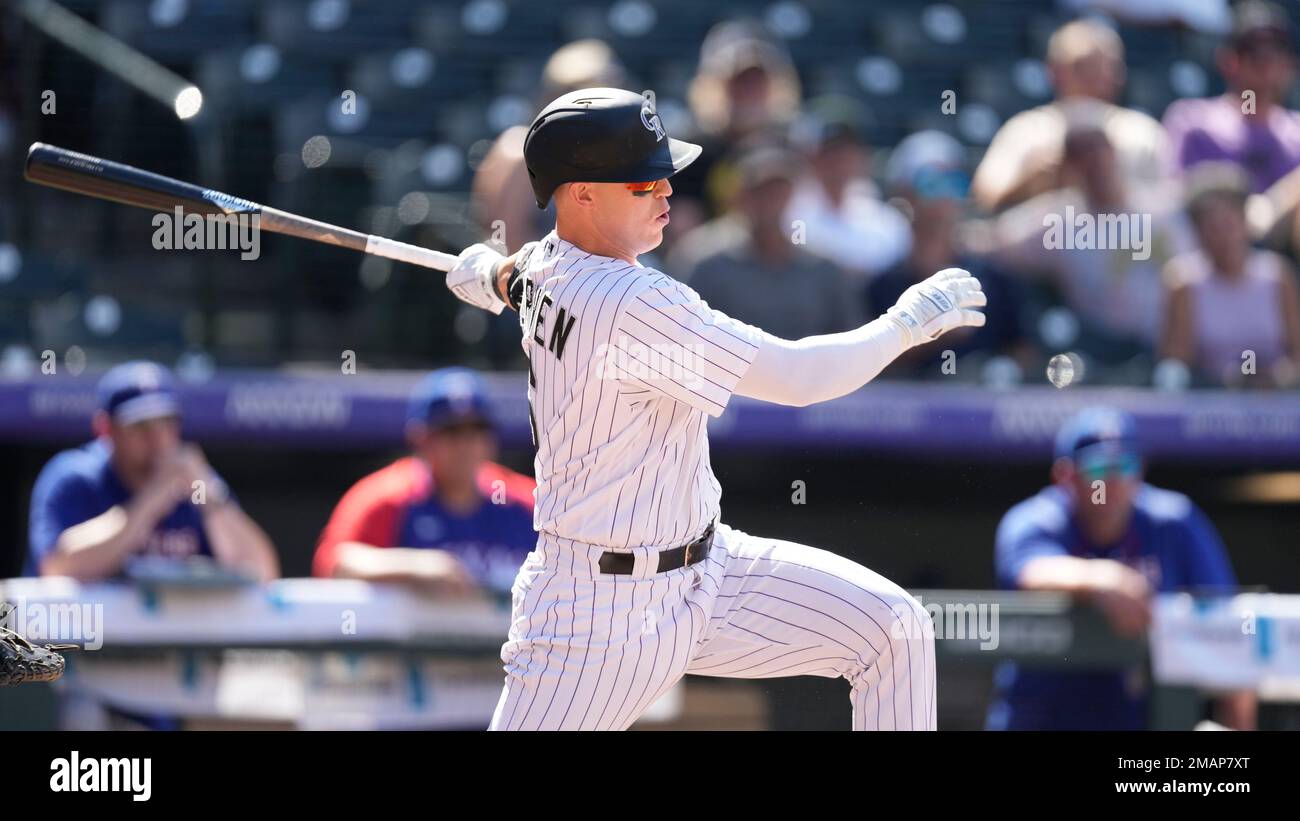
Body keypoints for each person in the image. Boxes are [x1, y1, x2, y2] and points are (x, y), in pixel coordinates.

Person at [445, 87, 989, 730]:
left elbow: (520, 274)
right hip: (596, 614)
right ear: (582, 192)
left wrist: (491, 276)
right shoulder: (632, 300)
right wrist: (905, 324)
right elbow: (798, 377)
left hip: (709, 573)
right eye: (642, 182)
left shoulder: (546, 264)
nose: (666, 190)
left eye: (663, 173)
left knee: (894, 630)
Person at [987, 408, 1256, 731]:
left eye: (1126, 466)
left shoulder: (1174, 522)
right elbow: (1029, 572)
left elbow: (1229, 627)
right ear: (1065, 476)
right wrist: (1101, 579)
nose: (1114, 482)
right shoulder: (1037, 519)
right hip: (1043, 718)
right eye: (1099, 468)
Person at [26, 361, 278, 582]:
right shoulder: (76, 477)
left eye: (166, 423)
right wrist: (151, 501)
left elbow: (261, 571)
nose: (158, 440)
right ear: (105, 429)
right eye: (140, 426)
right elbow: (58, 568)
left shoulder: (195, 484)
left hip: (168, 635)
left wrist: (210, 498)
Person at [313, 368, 536, 596]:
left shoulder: (526, 502)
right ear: (420, 437)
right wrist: (415, 568)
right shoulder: (387, 498)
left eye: (476, 430)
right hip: (413, 632)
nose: (465, 445)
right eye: (451, 431)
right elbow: (334, 564)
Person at [868, 130, 1028, 378]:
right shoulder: (882, 286)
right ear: (905, 192)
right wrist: (934, 337)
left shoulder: (993, 280)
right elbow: (871, 361)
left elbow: (1022, 347)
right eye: (931, 183)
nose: (945, 196)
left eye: (955, 182)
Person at [970, 18, 1168, 213]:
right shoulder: (1027, 130)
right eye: (1084, 66)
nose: (1098, 75)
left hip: (1125, 241)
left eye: (1107, 67)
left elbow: (1172, 205)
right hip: (1046, 241)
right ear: (1054, 70)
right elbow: (985, 197)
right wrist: (1034, 178)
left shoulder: (1142, 132)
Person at [668, 144, 860, 338]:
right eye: (762, 192)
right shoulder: (703, 260)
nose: (773, 203)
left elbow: (847, 339)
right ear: (742, 198)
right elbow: (683, 335)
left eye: (780, 192)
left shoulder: (822, 268)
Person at [1162, 163, 1300, 387]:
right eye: (1211, 228)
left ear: (1244, 221)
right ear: (1197, 232)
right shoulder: (1183, 282)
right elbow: (1176, 362)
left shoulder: (1278, 276)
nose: (1222, 237)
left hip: (1275, 400)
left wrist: (1277, 377)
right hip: (1208, 398)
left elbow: (1296, 354)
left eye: (1228, 224)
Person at [1163, 1, 1300, 194]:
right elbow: (1178, 198)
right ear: (1227, 60)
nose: (1266, 59)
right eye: (1252, 48)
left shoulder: (1297, 133)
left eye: (1277, 48)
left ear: (1290, 64)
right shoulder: (1193, 122)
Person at [781, 96, 912, 282]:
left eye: (847, 149)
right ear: (809, 155)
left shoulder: (886, 220)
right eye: (830, 150)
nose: (839, 160)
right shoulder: (789, 212)